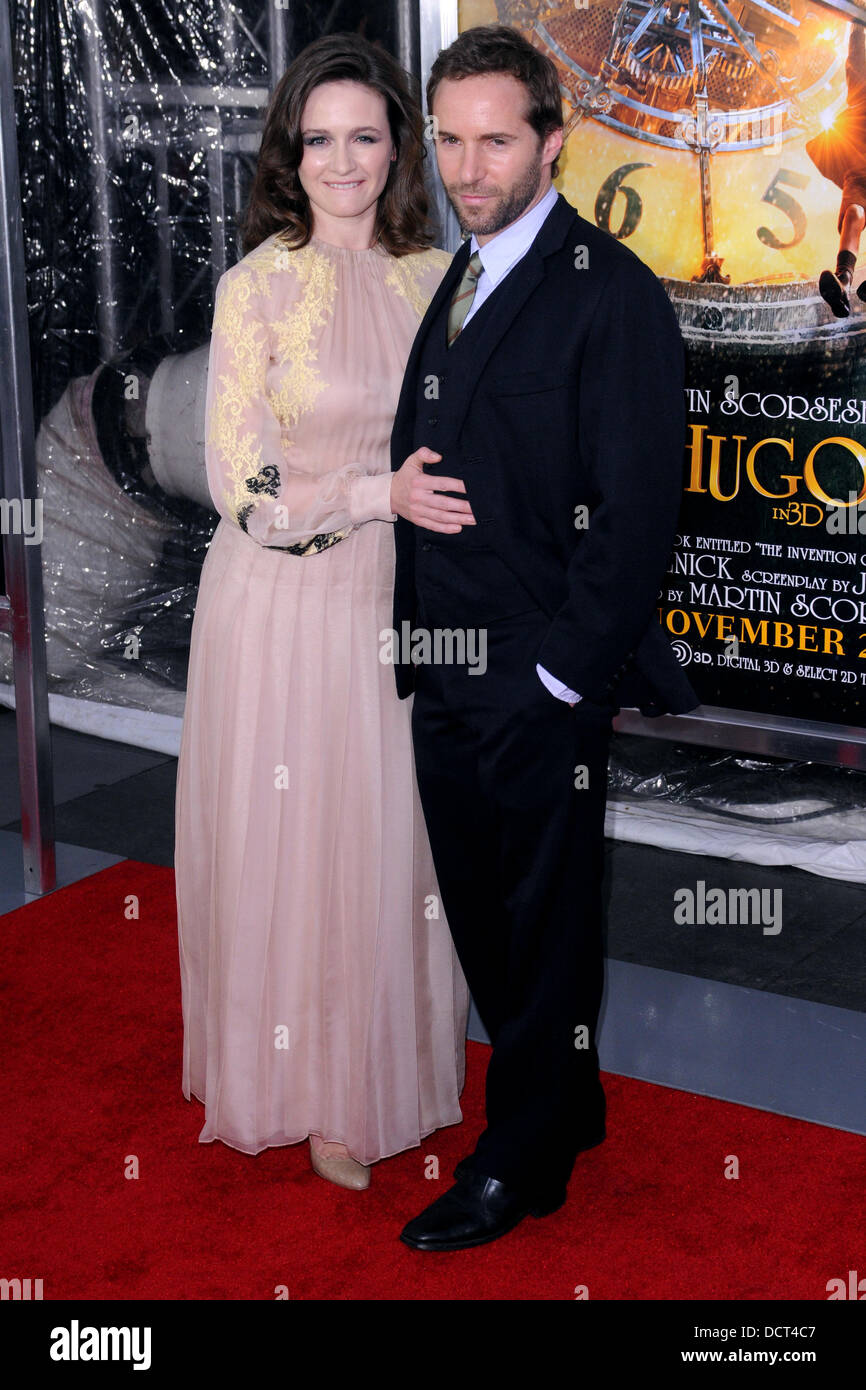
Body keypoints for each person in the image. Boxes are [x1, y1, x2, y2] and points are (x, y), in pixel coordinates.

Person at [389, 23, 698, 1250]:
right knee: (484, 916)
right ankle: (565, 1099)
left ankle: (518, 1159)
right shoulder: (457, 276)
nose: (468, 168)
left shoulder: (605, 293)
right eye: (449, 140)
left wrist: (554, 676)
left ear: (551, 143)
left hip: (535, 678)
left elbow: (634, 518)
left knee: (542, 921)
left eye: (495, 142)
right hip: (445, 671)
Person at [175, 32, 469, 1193]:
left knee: (388, 849)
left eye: (363, 135)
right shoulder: (258, 286)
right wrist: (370, 494)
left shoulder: (432, 277)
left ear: (397, 146)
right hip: (279, 607)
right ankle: (294, 1087)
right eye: (317, 140)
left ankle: (368, 1078)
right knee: (291, 849)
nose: (341, 161)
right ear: (287, 156)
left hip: (394, 604)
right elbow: (234, 479)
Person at [807, 24, 866, 317]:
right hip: (858, 168)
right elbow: (855, 58)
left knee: (854, 215)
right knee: (854, 215)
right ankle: (843, 282)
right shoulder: (862, 93)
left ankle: (845, 281)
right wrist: (856, 22)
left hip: (857, 166)